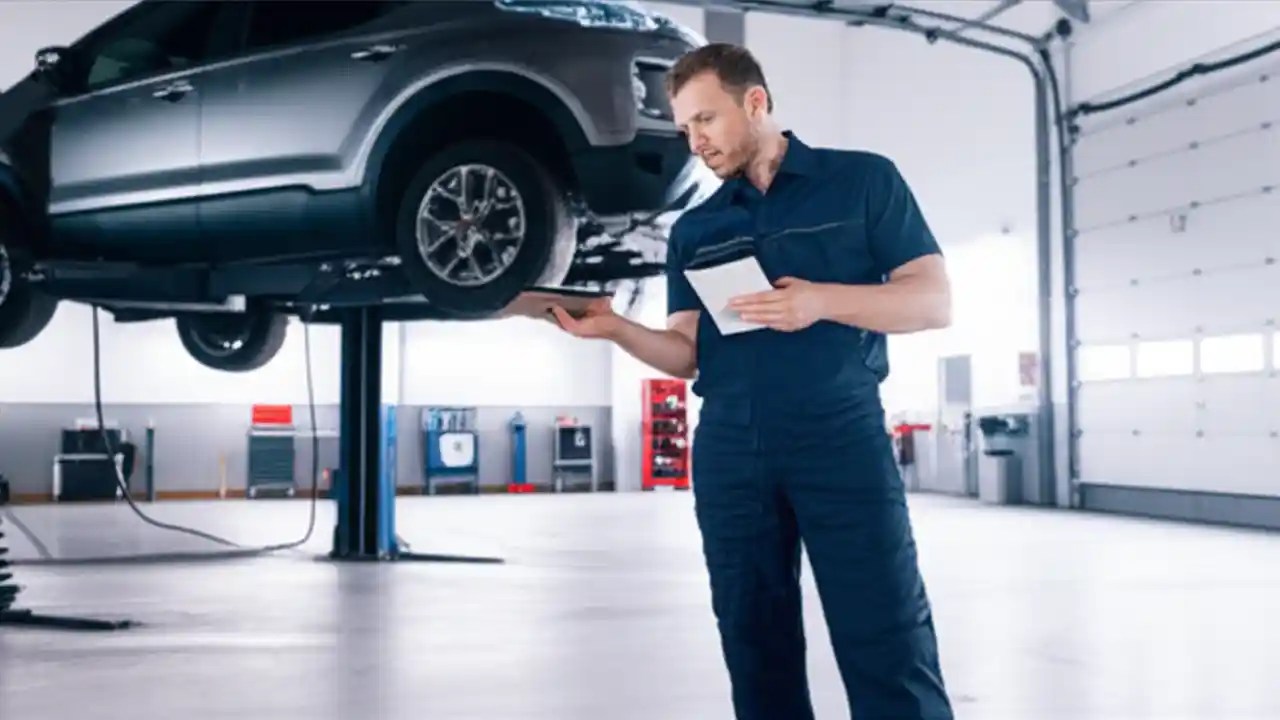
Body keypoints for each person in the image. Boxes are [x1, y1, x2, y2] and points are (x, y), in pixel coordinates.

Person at [552, 42, 955, 720]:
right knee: (754, 641)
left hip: (840, 437)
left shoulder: (862, 181)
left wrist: (819, 301)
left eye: (705, 119)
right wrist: (616, 329)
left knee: (886, 631)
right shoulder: (696, 228)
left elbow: (932, 301)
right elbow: (686, 352)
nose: (695, 142)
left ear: (756, 102)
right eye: (685, 128)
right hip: (732, 450)